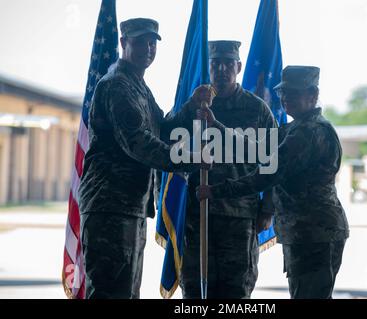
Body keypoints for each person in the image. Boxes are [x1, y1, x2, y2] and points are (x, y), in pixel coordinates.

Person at [197, 65, 350, 299]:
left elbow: (266, 174)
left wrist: (215, 191)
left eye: (294, 93)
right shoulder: (294, 128)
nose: (287, 98)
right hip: (305, 231)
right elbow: (257, 149)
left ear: (313, 95)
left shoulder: (310, 133)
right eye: (283, 93)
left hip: (315, 233)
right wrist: (217, 126)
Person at [78, 18, 204, 299]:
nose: (148, 48)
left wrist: (191, 107)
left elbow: (164, 129)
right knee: (111, 292)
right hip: (109, 206)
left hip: (129, 206)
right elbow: (140, 144)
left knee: (127, 292)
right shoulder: (117, 87)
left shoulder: (138, 88)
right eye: (140, 42)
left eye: (152, 43)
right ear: (124, 43)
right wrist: (192, 160)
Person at [177, 40, 277, 299]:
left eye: (228, 63)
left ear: (239, 67)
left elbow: (273, 160)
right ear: (208, 67)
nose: (222, 69)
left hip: (239, 216)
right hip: (198, 214)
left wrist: (268, 208)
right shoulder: (197, 104)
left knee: (235, 291)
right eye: (215, 63)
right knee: (196, 291)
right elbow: (168, 142)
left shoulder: (257, 109)